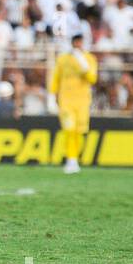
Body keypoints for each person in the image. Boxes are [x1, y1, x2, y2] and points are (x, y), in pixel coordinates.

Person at [49, 33, 97, 173]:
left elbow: (92, 78)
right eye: (76, 41)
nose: (78, 44)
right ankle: (71, 160)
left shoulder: (89, 59)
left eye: (80, 41)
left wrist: (82, 63)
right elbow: (55, 78)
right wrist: (52, 97)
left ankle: (75, 158)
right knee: (69, 130)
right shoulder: (63, 59)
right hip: (66, 101)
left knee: (80, 131)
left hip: (83, 101)